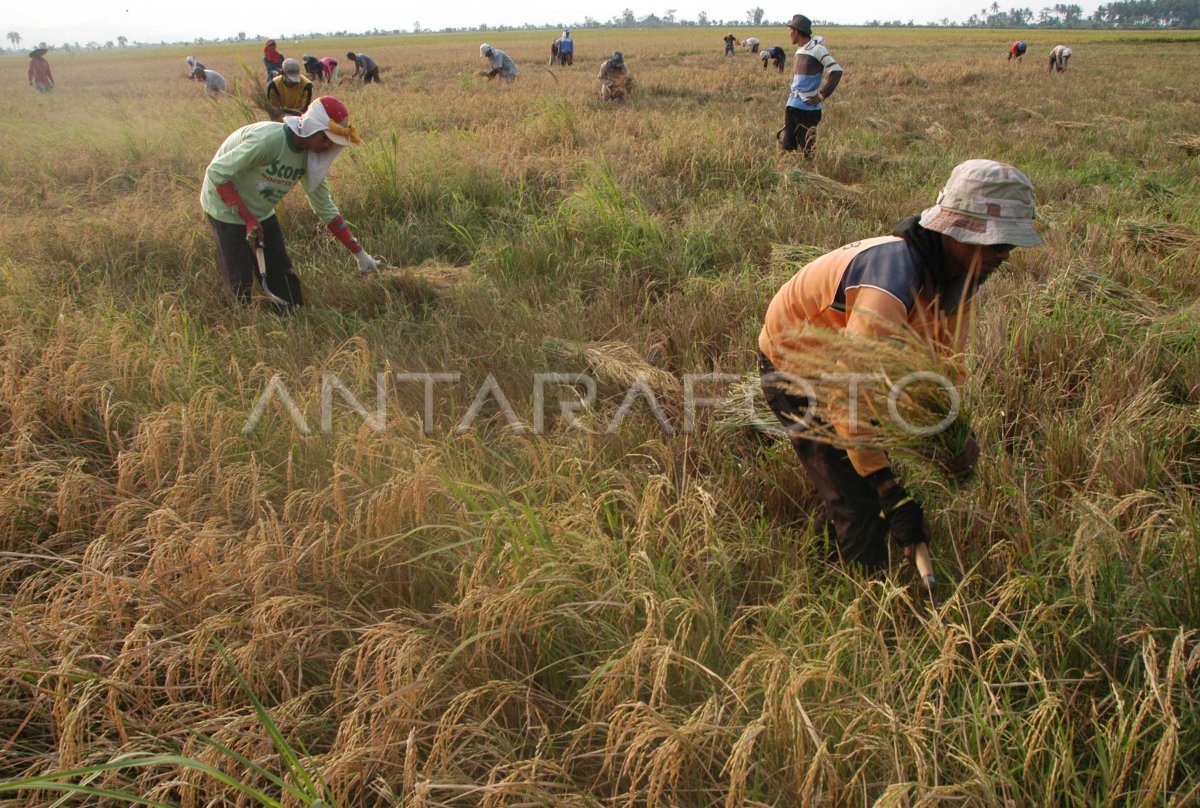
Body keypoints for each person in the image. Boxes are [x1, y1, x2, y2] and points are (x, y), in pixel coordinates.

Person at [757, 159, 1042, 570]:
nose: (1004, 256)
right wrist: (891, 494)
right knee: (862, 500)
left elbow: (942, 367)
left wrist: (951, 430)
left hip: (850, 362)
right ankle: (868, 599)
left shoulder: (960, 279)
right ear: (955, 231)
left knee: (848, 479)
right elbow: (849, 396)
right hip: (796, 363)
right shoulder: (890, 280)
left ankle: (823, 559)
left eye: (1009, 245)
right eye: (997, 243)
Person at [200, 96, 379, 309]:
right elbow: (216, 173)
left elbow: (325, 208)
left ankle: (290, 318)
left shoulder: (311, 159)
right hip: (224, 207)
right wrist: (248, 219)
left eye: (332, 143)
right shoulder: (267, 141)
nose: (327, 146)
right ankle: (242, 318)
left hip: (262, 210)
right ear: (311, 127)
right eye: (325, 138)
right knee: (239, 280)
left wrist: (359, 253)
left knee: (283, 275)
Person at [780, 14, 842, 158]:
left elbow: (837, 71)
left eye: (790, 30)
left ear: (796, 31)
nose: (789, 33)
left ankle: (811, 171)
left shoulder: (817, 49)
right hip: (792, 104)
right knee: (787, 144)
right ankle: (788, 170)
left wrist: (821, 95)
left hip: (807, 107)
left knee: (808, 148)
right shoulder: (800, 50)